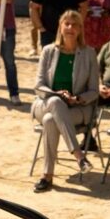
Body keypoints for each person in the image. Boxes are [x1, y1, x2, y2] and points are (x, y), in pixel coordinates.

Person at [31, 10, 97, 192]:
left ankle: (47, 176)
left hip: (76, 110)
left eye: (75, 25)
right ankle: (79, 155)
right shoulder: (48, 51)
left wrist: (78, 98)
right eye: (66, 23)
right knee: (55, 103)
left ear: (80, 30)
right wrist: (57, 94)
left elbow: (94, 91)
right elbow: (38, 85)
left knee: (50, 121)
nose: (70, 28)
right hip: (44, 104)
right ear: (60, 27)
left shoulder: (89, 53)